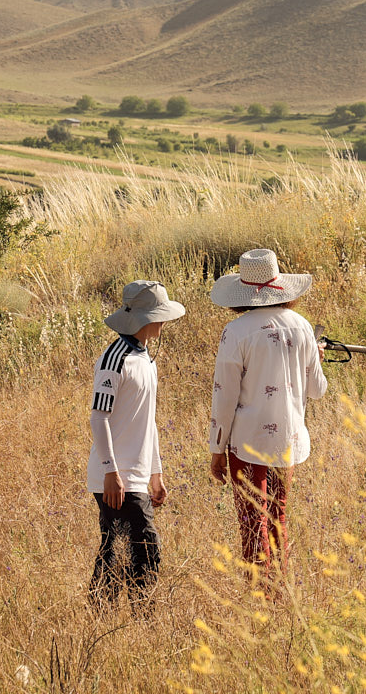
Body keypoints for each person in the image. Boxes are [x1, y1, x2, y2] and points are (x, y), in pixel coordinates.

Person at [207, 249, 328, 581]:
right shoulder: (302, 326)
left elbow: (224, 396)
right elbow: (317, 390)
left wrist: (217, 449)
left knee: (252, 520)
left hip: (248, 442)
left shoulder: (237, 331)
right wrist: (315, 357)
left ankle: (260, 596)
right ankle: (280, 589)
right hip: (287, 441)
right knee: (278, 516)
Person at [87, 279, 185, 603]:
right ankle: (138, 620)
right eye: (160, 315)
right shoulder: (114, 359)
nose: (164, 322)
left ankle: (106, 619)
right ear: (145, 318)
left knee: (119, 553)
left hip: (135, 477)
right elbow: (98, 417)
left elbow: (148, 422)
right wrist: (110, 472)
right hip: (116, 478)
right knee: (146, 552)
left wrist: (155, 473)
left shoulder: (146, 359)